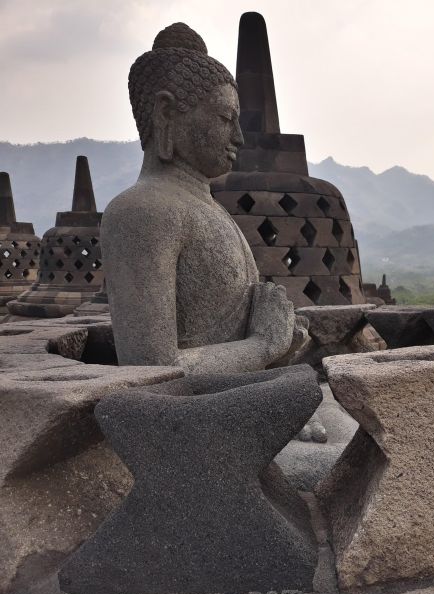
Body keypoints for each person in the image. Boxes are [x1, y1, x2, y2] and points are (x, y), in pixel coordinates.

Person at [102, 23, 303, 373]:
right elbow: (150, 369)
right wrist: (263, 346)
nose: (238, 137)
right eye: (226, 118)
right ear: (166, 113)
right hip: (192, 407)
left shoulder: (212, 210)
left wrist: (280, 341)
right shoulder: (141, 212)